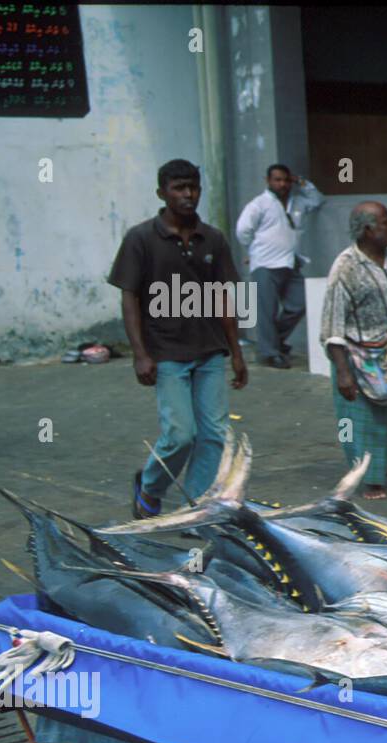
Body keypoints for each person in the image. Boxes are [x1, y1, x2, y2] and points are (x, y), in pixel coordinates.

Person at [108, 158, 248, 518]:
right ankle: (150, 488)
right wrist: (140, 353)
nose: (188, 194)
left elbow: (222, 296)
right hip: (167, 351)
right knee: (180, 434)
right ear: (162, 193)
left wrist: (236, 351)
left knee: (214, 435)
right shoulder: (141, 238)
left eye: (194, 187)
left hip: (211, 351)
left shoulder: (213, 238)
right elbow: (130, 297)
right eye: (179, 188)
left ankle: (196, 508)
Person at [319, 202, 387, 501]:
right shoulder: (345, 268)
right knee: (363, 420)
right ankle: (371, 479)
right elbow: (332, 325)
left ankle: (383, 460)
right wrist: (343, 372)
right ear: (368, 231)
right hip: (355, 355)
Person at [234, 163, 325, 369]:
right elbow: (243, 231)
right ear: (268, 181)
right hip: (265, 264)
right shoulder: (259, 204)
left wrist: (302, 182)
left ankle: (273, 342)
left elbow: (318, 200)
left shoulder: (298, 203)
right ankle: (270, 353)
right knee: (267, 311)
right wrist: (254, 250)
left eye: (285, 180)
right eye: (277, 180)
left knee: (300, 302)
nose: (282, 184)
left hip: (290, 263)